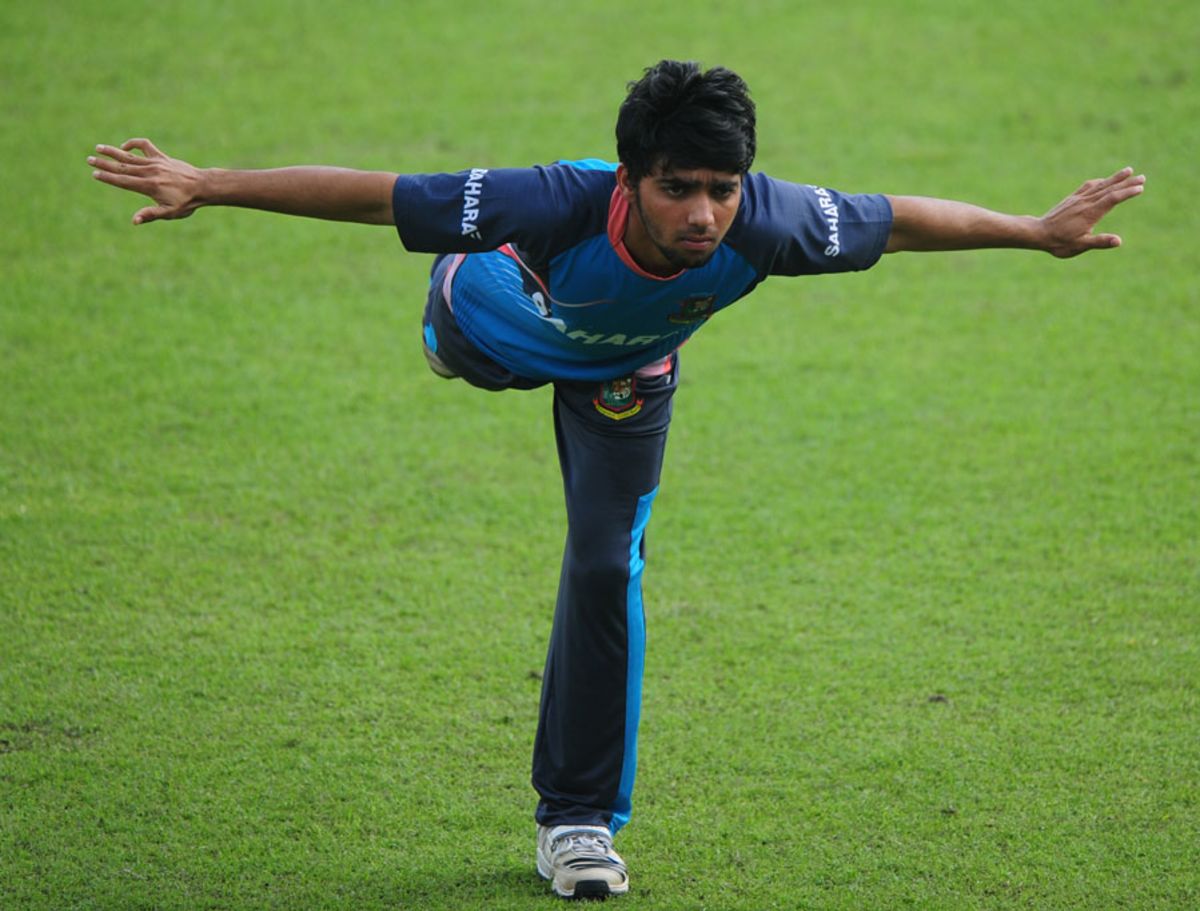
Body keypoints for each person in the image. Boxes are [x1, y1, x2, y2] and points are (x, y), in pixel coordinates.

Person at [88, 59, 1144, 901]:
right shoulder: (549, 200)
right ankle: (457, 332)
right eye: (677, 189)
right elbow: (375, 198)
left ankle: (575, 822)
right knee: (474, 318)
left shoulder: (769, 226)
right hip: (496, 310)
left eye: (720, 191)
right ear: (631, 177)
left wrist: (1034, 232)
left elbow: (904, 218)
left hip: (627, 376)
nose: (702, 214)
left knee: (606, 566)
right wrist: (207, 184)